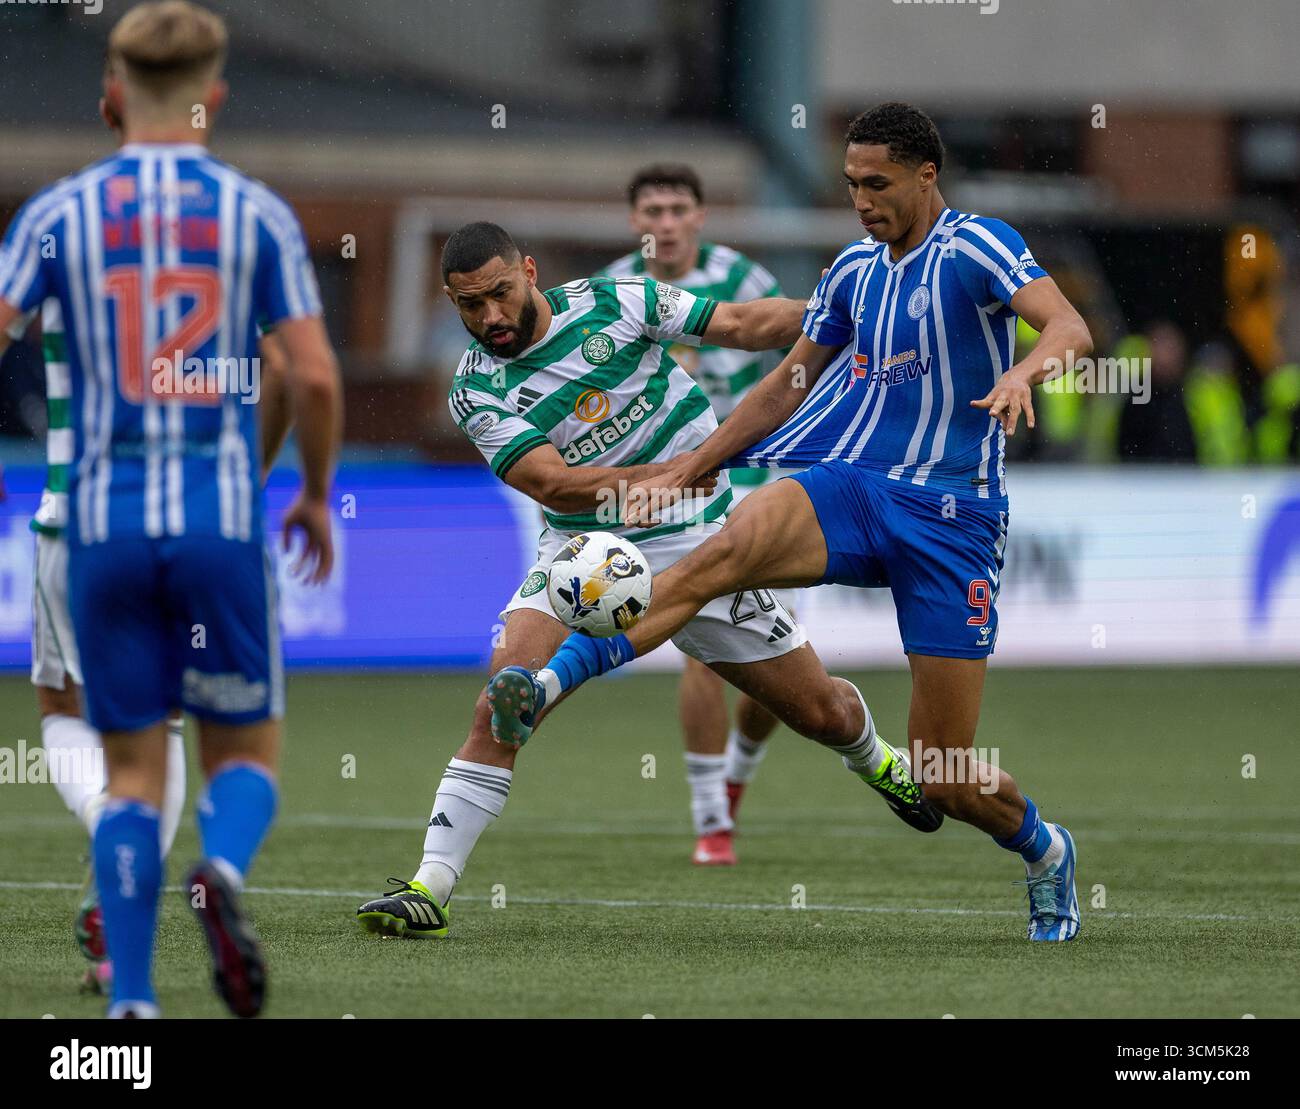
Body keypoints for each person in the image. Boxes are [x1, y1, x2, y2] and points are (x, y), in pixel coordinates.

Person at [495, 102, 1094, 942]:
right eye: (851, 183)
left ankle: (1045, 848)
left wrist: (1030, 369)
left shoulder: (977, 244)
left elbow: (1070, 324)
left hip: (954, 515)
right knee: (715, 558)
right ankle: (549, 683)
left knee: (943, 775)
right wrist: (691, 468)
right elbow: (786, 384)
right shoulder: (853, 269)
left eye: (877, 183)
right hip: (851, 485)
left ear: (927, 176)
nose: (861, 200)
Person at [355, 220, 937, 941]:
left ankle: (877, 761)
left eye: (501, 294)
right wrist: (661, 478)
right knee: (503, 695)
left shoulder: (615, 301)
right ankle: (430, 884)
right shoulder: (475, 387)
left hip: (704, 539)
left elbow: (742, 321)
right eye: (470, 306)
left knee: (825, 714)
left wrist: (845, 318)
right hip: (583, 550)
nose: (491, 318)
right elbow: (556, 485)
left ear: (529, 271)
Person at [0, 0, 342, 1016]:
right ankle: (223, 874)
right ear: (215, 96)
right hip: (219, 522)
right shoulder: (255, 214)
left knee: (129, 774)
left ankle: (132, 1009)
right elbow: (312, 376)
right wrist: (315, 494)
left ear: (112, 92)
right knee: (242, 753)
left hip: (96, 524)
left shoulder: (56, 214)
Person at [598, 163, 796, 864]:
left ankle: (737, 772)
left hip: (759, 481)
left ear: (701, 217)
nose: (666, 222)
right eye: (652, 208)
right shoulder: (614, 289)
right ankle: (711, 816)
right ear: (634, 221)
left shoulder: (743, 282)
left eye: (679, 208)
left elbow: (801, 358)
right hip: (679, 490)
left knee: (776, 662)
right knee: (703, 651)